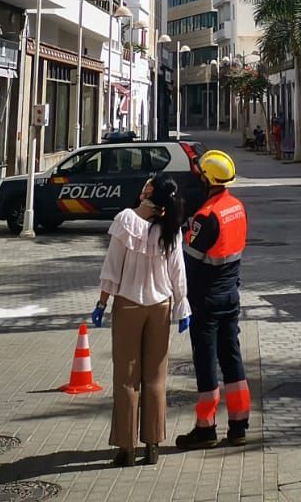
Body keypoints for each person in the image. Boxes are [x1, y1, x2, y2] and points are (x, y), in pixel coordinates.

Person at [91, 174, 190, 468]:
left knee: (126, 378)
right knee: (156, 378)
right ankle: (153, 445)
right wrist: (182, 306)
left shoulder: (126, 220)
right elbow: (178, 271)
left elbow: (112, 267)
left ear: (148, 191)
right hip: (161, 306)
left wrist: (101, 302)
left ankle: (126, 448)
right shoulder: (170, 227)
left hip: (129, 304)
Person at [175, 149, 250, 450]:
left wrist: (183, 232)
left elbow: (190, 260)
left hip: (205, 299)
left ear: (208, 179)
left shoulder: (207, 216)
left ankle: (206, 429)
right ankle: (239, 425)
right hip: (231, 294)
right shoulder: (237, 207)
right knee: (232, 359)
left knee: (206, 362)